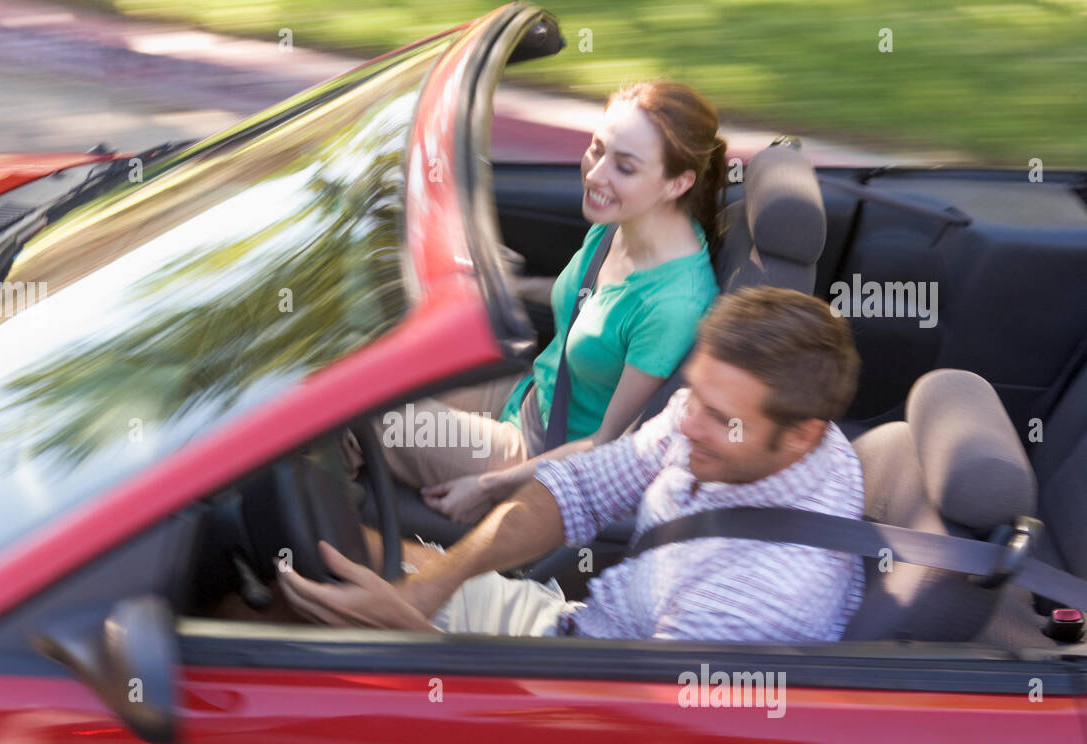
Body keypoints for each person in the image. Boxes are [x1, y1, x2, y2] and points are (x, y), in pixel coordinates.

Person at [280, 286, 866, 643]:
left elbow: (620, 741)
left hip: (568, 700)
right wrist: (436, 583)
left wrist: (411, 638)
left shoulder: (760, 605)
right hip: (570, 630)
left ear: (801, 436)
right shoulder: (761, 425)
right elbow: (581, 489)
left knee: (298, 615)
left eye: (718, 415)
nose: (686, 423)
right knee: (323, 557)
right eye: (693, 395)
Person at [361, 80, 725, 524]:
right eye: (597, 148)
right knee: (368, 370)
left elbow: (610, 446)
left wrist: (488, 486)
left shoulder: (673, 305)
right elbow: (591, 300)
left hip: (538, 457)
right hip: (526, 392)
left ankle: (302, 559)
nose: (595, 174)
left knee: (357, 415)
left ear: (677, 183)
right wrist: (510, 287)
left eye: (624, 167)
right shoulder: (621, 225)